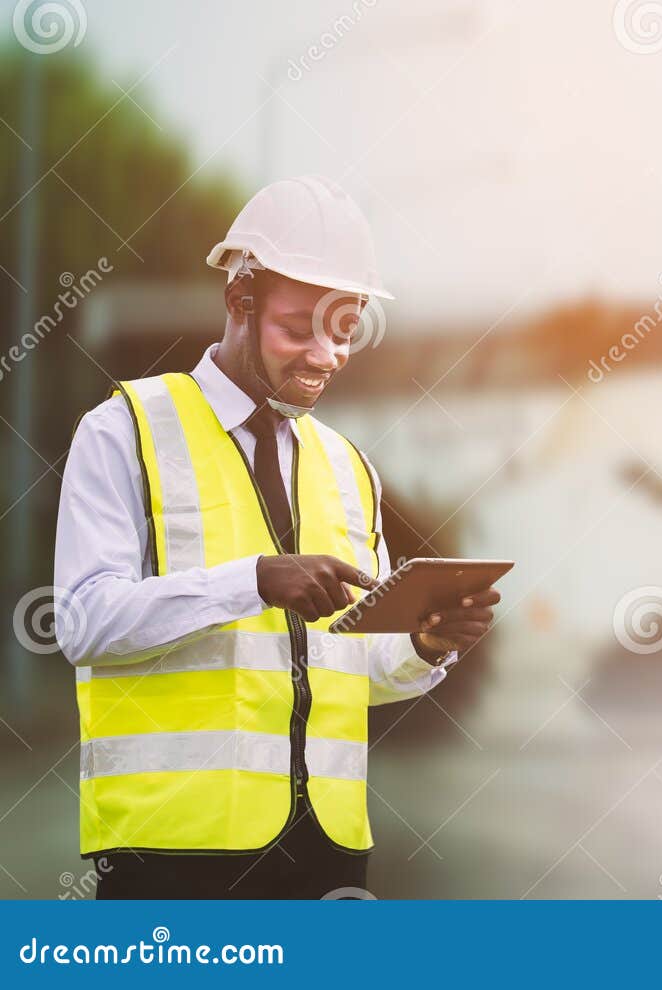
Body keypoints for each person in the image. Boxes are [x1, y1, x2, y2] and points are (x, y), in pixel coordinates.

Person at [52, 175, 501, 898]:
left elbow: (355, 670)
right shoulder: (125, 431)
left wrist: (424, 645)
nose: (325, 354)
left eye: (346, 329)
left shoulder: (349, 467)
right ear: (240, 300)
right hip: (174, 860)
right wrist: (253, 580)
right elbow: (82, 623)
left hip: (329, 856)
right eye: (299, 328)